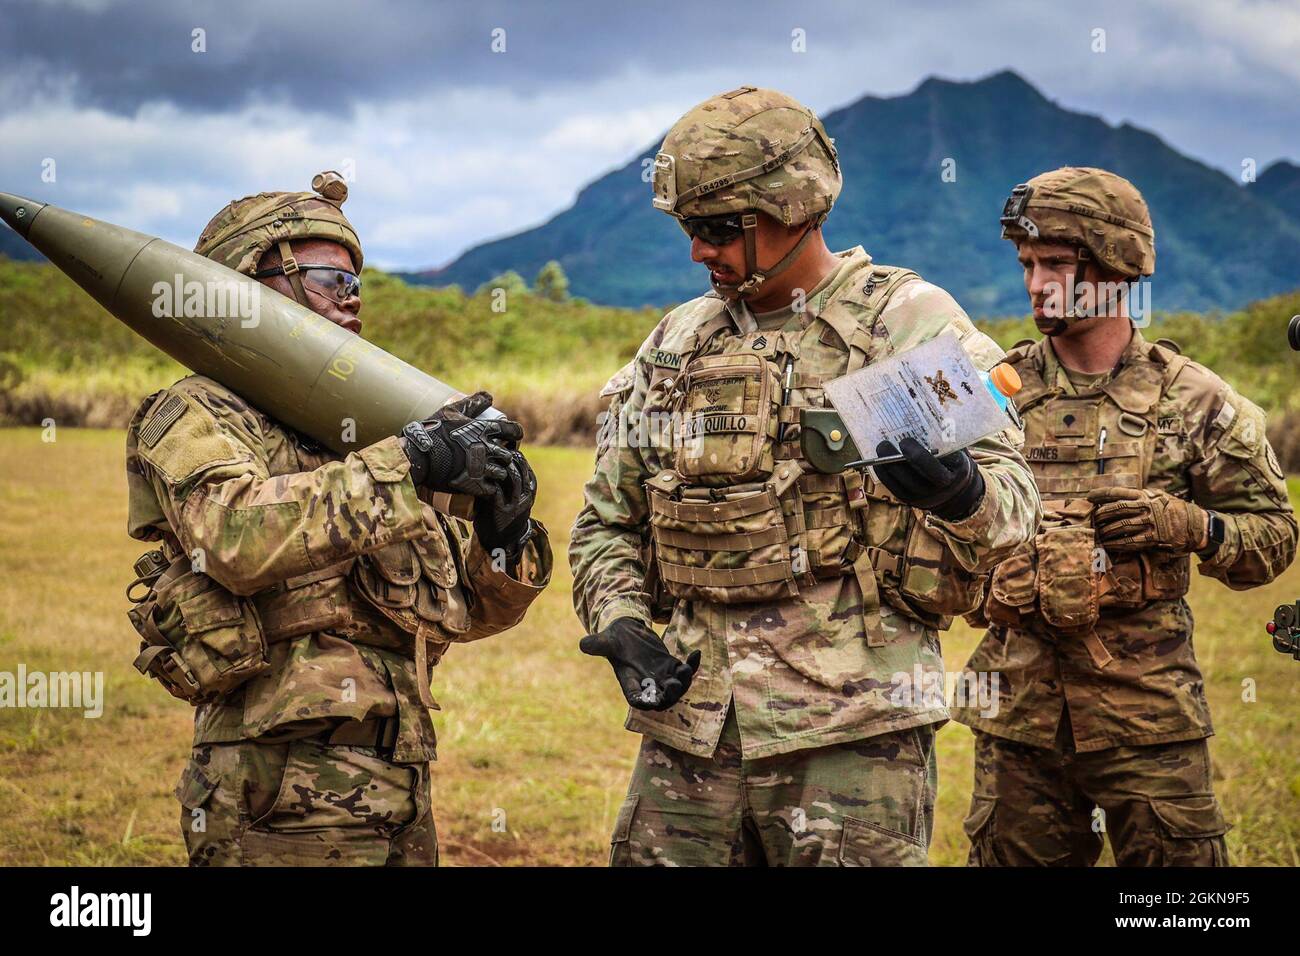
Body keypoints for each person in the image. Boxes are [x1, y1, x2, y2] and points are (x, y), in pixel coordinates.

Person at [569, 87, 1041, 866]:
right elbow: (607, 518)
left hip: (852, 737)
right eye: (690, 229)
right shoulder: (676, 344)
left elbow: (1018, 509)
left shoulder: (905, 324)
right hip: (692, 733)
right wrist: (620, 619)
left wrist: (962, 494)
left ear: (793, 205)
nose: (698, 252)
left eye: (719, 228)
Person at [124, 171, 551, 866]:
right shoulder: (198, 413)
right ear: (244, 286)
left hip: (403, 788)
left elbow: (469, 613)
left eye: (358, 282)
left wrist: (505, 538)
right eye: (327, 277)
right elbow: (233, 540)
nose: (351, 298)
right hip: (273, 794)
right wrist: (407, 465)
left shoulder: (365, 434)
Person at [956, 166, 1297, 866]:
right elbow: (931, 529)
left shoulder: (1197, 400)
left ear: (1115, 266)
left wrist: (1193, 526)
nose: (1033, 281)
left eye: (1055, 262)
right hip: (1019, 725)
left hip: (1150, 724)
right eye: (1026, 263)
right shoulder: (993, 394)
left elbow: (1275, 537)